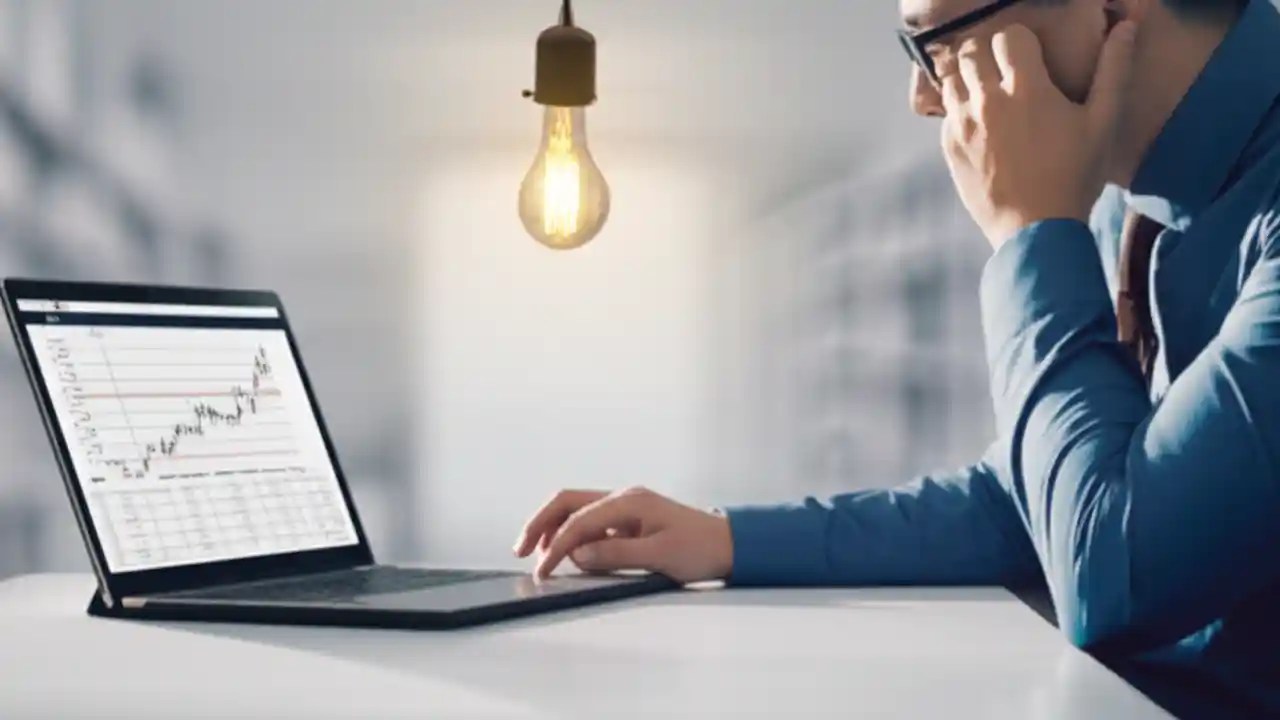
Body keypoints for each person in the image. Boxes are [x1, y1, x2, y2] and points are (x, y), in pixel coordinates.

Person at [514, 0, 1280, 712]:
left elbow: (1112, 577)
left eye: (938, 44)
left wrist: (1032, 232)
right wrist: (722, 538)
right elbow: (1035, 498)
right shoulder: (1131, 191)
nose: (924, 97)